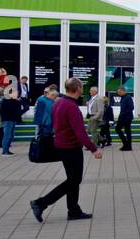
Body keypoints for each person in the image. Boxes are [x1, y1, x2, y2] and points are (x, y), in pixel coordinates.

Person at [30, 77, 101, 223]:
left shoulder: (59, 102)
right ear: (77, 89)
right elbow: (80, 132)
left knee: (73, 180)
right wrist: (94, 149)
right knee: (74, 180)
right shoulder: (71, 106)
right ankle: (41, 203)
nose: (83, 89)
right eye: (81, 87)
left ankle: (73, 210)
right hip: (71, 147)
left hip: (61, 145)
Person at [0, 88, 23, 154]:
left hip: (13, 119)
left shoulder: (14, 101)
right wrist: (17, 102)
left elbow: (18, 110)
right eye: (16, 93)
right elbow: (4, 111)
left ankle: (7, 149)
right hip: (7, 120)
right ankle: (5, 150)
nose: (17, 94)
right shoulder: (6, 100)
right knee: (7, 135)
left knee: (11, 135)